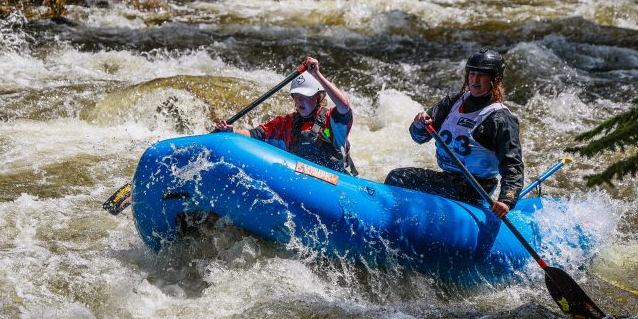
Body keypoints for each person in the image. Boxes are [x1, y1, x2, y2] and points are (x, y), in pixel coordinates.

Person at [384, 48, 523, 217]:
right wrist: (419, 125)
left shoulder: (501, 119)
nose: (475, 79)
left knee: (399, 178)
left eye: (482, 75)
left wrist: (507, 199)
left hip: (474, 188)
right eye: (472, 74)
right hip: (449, 178)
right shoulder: (453, 102)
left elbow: (512, 164)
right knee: (398, 177)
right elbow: (419, 138)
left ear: (495, 79)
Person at [215, 57, 358, 175]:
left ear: (318, 97)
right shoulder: (287, 123)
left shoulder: (332, 120)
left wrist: (317, 75)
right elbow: (255, 135)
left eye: (305, 96)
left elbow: (344, 106)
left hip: (334, 182)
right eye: (296, 96)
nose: (300, 100)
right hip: (301, 180)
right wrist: (232, 131)